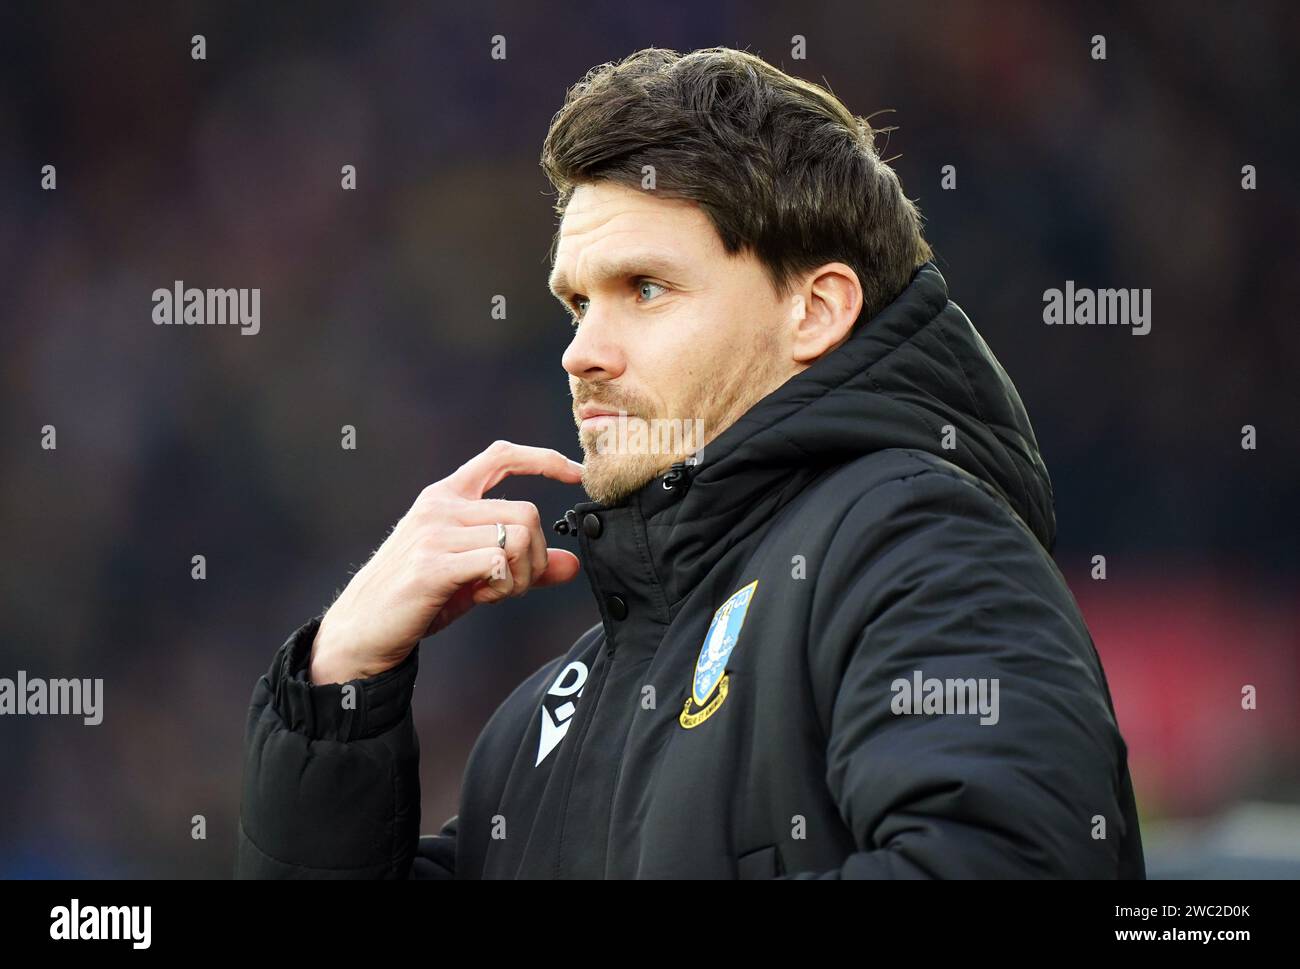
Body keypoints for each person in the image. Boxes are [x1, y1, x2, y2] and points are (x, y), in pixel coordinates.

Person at [235, 46, 1144, 879]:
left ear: (815, 310)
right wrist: (339, 682)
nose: (581, 351)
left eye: (645, 288)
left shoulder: (916, 545)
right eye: (576, 303)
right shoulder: (543, 723)